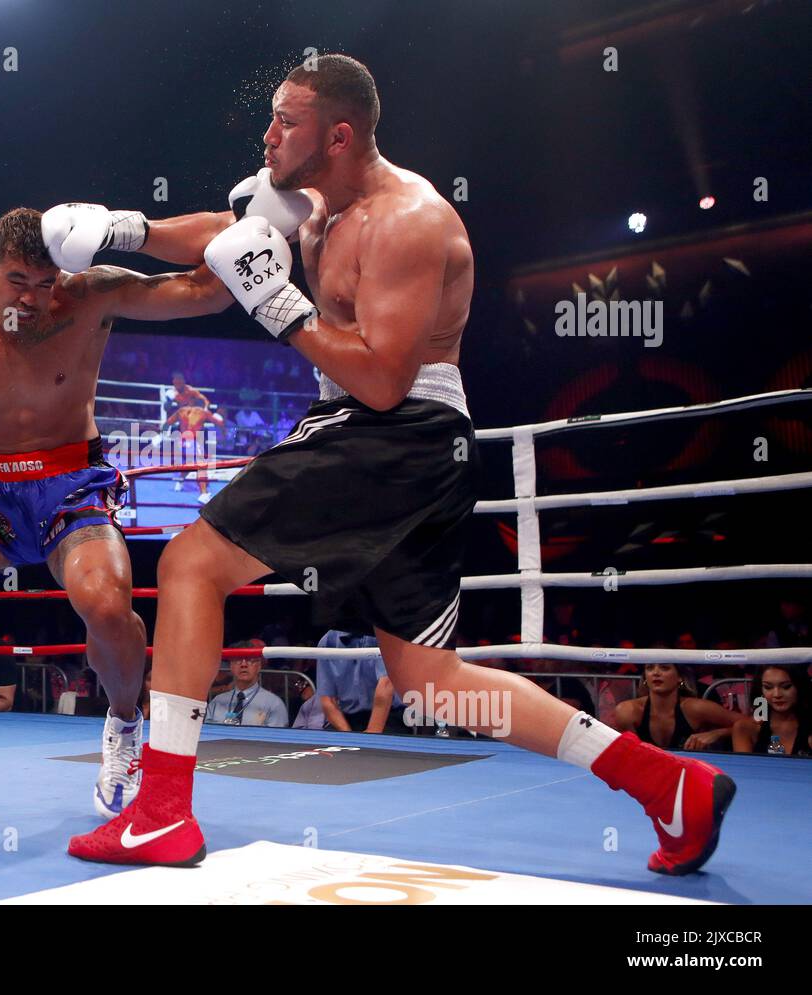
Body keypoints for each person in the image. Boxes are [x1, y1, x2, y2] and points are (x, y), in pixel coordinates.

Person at [65, 53, 735, 875]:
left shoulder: (409, 221)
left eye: (286, 121)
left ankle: (161, 810)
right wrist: (122, 232)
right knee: (429, 679)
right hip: (407, 440)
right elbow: (222, 231)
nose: (267, 134)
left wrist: (279, 305)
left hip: (396, 424)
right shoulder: (311, 201)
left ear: (339, 135)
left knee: (192, 562)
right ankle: (668, 783)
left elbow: (381, 379)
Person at [0, 207, 233, 823]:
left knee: (107, 604)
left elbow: (208, 291)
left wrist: (131, 230)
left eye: (45, 283)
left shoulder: (91, 295)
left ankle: (126, 729)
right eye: (16, 282)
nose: (32, 299)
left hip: (72, 488)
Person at [612, 663, 739, 751]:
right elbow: (629, 756)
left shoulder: (695, 708)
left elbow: (751, 723)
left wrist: (717, 734)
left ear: (680, 677)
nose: (656, 673)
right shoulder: (628, 711)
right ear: (645, 677)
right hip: (646, 772)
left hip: (689, 772)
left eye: (665, 668)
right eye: (650, 668)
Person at [314, 630, 402, 733]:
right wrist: (349, 736)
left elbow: (386, 685)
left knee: (380, 745)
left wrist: (373, 731)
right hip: (346, 719)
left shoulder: (384, 634)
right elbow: (327, 699)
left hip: (388, 716)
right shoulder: (328, 641)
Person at [731, 665, 812, 757]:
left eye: (786, 687)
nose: (777, 694)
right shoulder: (746, 728)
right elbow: (745, 770)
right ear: (760, 689)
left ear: (800, 686)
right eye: (768, 687)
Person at [204, 640, 288, 727]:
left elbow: (275, 738)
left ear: (259, 666)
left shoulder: (273, 704)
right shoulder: (217, 702)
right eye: (238, 660)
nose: (243, 664)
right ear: (231, 666)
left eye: (250, 660)